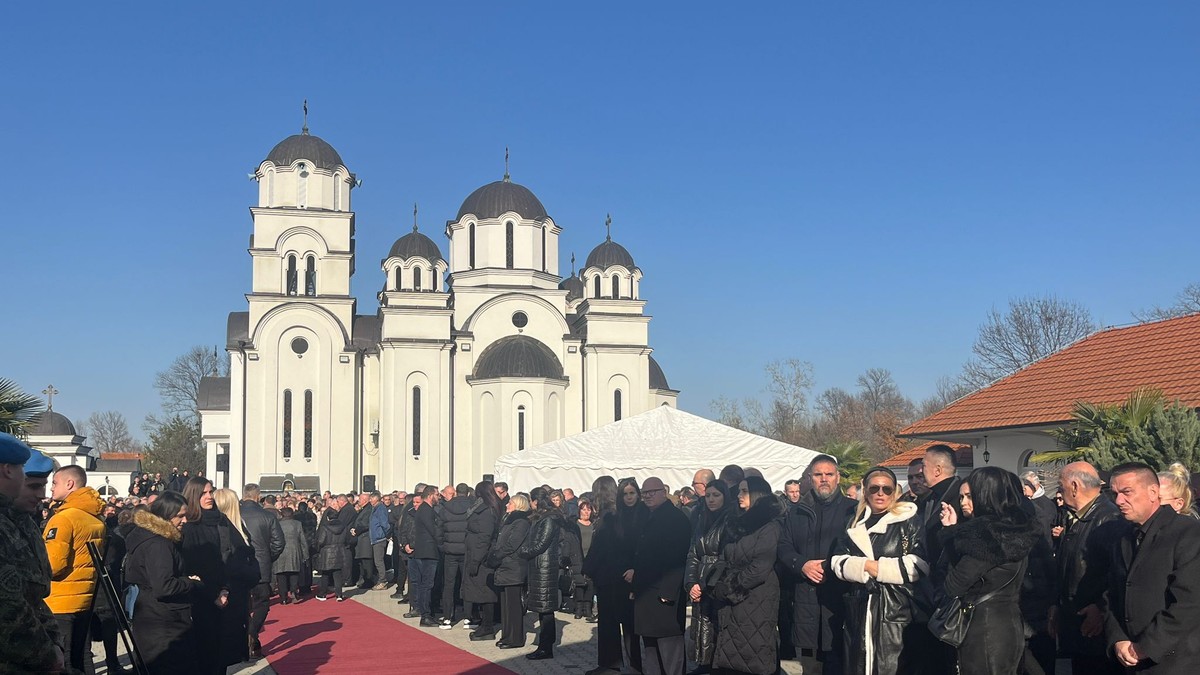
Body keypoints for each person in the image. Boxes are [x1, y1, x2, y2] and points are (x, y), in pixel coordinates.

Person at [938, 467, 1040, 675]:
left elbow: (953, 584)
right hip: (1009, 622)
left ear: (984, 495)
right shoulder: (1017, 528)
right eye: (961, 497)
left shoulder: (985, 536)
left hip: (984, 628)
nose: (963, 502)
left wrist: (950, 535)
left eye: (970, 496)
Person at [830, 466, 927, 675]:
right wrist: (865, 566)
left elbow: (918, 564)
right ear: (865, 491)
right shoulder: (853, 521)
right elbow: (837, 561)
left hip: (896, 610)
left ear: (895, 492)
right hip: (859, 609)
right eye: (874, 488)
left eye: (887, 489)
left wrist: (876, 567)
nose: (880, 493)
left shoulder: (909, 521)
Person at [1104, 462, 1200, 671]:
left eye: (1127, 492)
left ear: (1153, 492)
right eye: (1115, 494)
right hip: (1128, 658)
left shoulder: (1188, 533)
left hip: (1175, 662)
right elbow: (1112, 593)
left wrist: (1146, 647)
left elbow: (1189, 603)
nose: (1119, 501)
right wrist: (1117, 638)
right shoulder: (1124, 537)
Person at [777, 454, 858, 674]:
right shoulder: (796, 511)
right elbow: (783, 547)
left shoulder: (854, 510)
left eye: (829, 474)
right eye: (818, 474)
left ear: (838, 477)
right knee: (810, 666)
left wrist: (832, 566)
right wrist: (801, 564)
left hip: (840, 597)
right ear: (810, 478)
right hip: (806, 597)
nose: (824, 479)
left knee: (839, 663)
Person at [1051, 461, 1126, 675]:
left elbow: (1117, 572)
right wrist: (1057, 603)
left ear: (1074, 486)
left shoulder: (1108, 519)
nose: (1059, 490)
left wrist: (1100, 606)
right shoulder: (1076, 516)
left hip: (1094, 628)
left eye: (1060, 484)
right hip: (1076, 623)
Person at [707, 476, 783, 675]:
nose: (739, 496)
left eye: (744, 491)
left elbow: (760, 567)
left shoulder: (770, 526)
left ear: (758, 494)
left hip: (756, 596)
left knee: (753, 652)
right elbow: (724, 555)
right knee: (729, 652)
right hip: (730, 598)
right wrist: (715, 583)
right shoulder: (735, 523)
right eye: (739, 491)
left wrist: (731, 587)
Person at [1, 437, 64, 673]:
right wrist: (46, 653)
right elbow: (8, 608)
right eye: (33, 485)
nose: (43, 495)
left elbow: (35, 596)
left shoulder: (26, 524)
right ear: (9, 471)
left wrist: (54, 642)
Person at [181, 478, 257, 673]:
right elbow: (190, 563)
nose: (209, 497)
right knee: (202, 657)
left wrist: (227, 588)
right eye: (204, 493)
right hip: (200, 597)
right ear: (193, 495)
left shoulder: (220, 519)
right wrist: (213, 592)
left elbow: (239, 551)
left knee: (221, 657)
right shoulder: (187, 524)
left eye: (210, 492)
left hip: (227, 593)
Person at [123, 491, 201, 674]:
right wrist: (190, 582)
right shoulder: (158, 544)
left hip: (152, 617)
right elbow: (164, 586)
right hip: (163, 621)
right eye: (180, 516)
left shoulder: (147, 536)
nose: (185, 521)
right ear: (166, 515)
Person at [42, 464, 107, 674]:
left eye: (55, 483)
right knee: (83, 656)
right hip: (85, 599)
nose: (51, 489)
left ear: (69, 484)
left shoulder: (63, 518)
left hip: (61, 601)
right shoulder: (95, 519)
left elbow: (55, 565)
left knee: (64, 660)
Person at [583, 476, 646, 675]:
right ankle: (628, 663)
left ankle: (613, 663)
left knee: (612, 622)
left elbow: (601, 548)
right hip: (617, 575)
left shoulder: (609, 517)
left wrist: (588, 568)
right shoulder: (617, 514)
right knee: (625, 623)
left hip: (610, 576)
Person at [630, 476, 692, 675]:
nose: (647, 496)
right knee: (651, 649)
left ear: (663, 492)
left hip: (664, 596)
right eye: (644, 493)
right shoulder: (647, 516)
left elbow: (678, 558)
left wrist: (668, 591)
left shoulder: (675, 519)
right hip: (646, 595)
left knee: (670, 650)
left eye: (652, 492)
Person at [685, 479, 735, 674]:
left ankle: (717, 664)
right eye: (708, 496)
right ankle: (704, 663)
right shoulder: (701, 519)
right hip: (701, 576)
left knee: (718, 623)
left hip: (719, 580)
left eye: (716, 495)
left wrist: (708, 582)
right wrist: (691, 582)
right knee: (702, 623)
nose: (711, 500)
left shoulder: (730, 519)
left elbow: (728, 555)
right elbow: (693, 554)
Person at [519, 486, 565, 660]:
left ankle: (546, 647)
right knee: (543, 608)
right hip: (540, 568)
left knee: (546, 609)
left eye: (531, 500)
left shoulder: (549, 519)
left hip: (545, 569)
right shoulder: (542, 518)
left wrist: (524, 551)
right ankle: (544, 644)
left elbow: (541, 545)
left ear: (536, 501)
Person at [240, 483, 284, 658]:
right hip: (261, 565)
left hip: (241, 564)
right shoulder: (267, 516)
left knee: (244, 604)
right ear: (258, 497)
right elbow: (279, 543)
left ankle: (251, 636)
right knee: (262, 603)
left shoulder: (235, 515)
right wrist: (268, 555)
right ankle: (253, 634)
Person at [490, 492, 532, 648]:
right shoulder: (508, 520)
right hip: (505, 566)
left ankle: (516, 638)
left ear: (518, 505)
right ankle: (507, 635)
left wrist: (497, 555)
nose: (507, 505)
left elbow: (513, 543)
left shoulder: (521, 522)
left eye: (510, 503)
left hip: (514, 566)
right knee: (505, 605)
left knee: (514, 605)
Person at [463, 480, 502, 640]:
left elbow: (484, 538)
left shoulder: (486, 511)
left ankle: (487, 627)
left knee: (485, 593)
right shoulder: (482, 508)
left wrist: (476, 560)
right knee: (479, 592)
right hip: (475, 553)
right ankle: (484, 624)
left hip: (481, 558)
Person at [438, 483, 473, 627]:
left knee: (449, 584)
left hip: (450, 551)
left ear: (456, 493)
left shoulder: (446, 508)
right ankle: (468, 617)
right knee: (467, 583)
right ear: (468, 493)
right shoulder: (473, 507)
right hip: (466, 550)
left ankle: (447, 617)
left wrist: (443, 546)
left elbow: (438, 530)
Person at [408, 485, 443, 627]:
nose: (439, 497)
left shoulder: (424, 509)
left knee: (426, 584)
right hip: (428, 551)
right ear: (430, 496)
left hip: (424, 550)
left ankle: (427, 613)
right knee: (427, 584)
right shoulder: (426, 510)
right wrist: (442, 542)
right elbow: (433, 529)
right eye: (437, 494)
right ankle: (425, 615)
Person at [314, 495, 349, 602]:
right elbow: (346, 538)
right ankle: (339, 595)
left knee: (325, 574)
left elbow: (321, 541)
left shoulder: (325, 527)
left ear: (328, 517)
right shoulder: (343, 527)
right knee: (337, 574)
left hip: (327, 552)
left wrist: (318, 548)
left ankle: (322, 594)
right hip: (339, 550)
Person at [274, 507, 310, 603]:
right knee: (294, 573)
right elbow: (303, 540)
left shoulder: (277, 524)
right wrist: (305, 555)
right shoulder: (297, 524)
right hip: (294, 550)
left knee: (281, 575)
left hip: (280, 551)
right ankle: (294, 591)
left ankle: (283, 597)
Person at [573, 496, 598, 620]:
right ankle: (578, 608)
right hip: (578, 556)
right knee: (579, 583)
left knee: (590, 584)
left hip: (590, 556)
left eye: (588, 510)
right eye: (584, 510)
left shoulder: (593, 525)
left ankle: (587, 608)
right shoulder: (575, 524)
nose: (586, 512)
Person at [367, 491, 391, 590]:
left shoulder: (380, 508)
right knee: (377, 561)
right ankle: (381, 579)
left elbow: (384, 523)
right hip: (375, 538)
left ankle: (383, 581)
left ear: (376, 499)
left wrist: (387, 534)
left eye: (371, 499)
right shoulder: (375, 508)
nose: (370, 501)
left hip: (379, 538)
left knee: (379, 561)